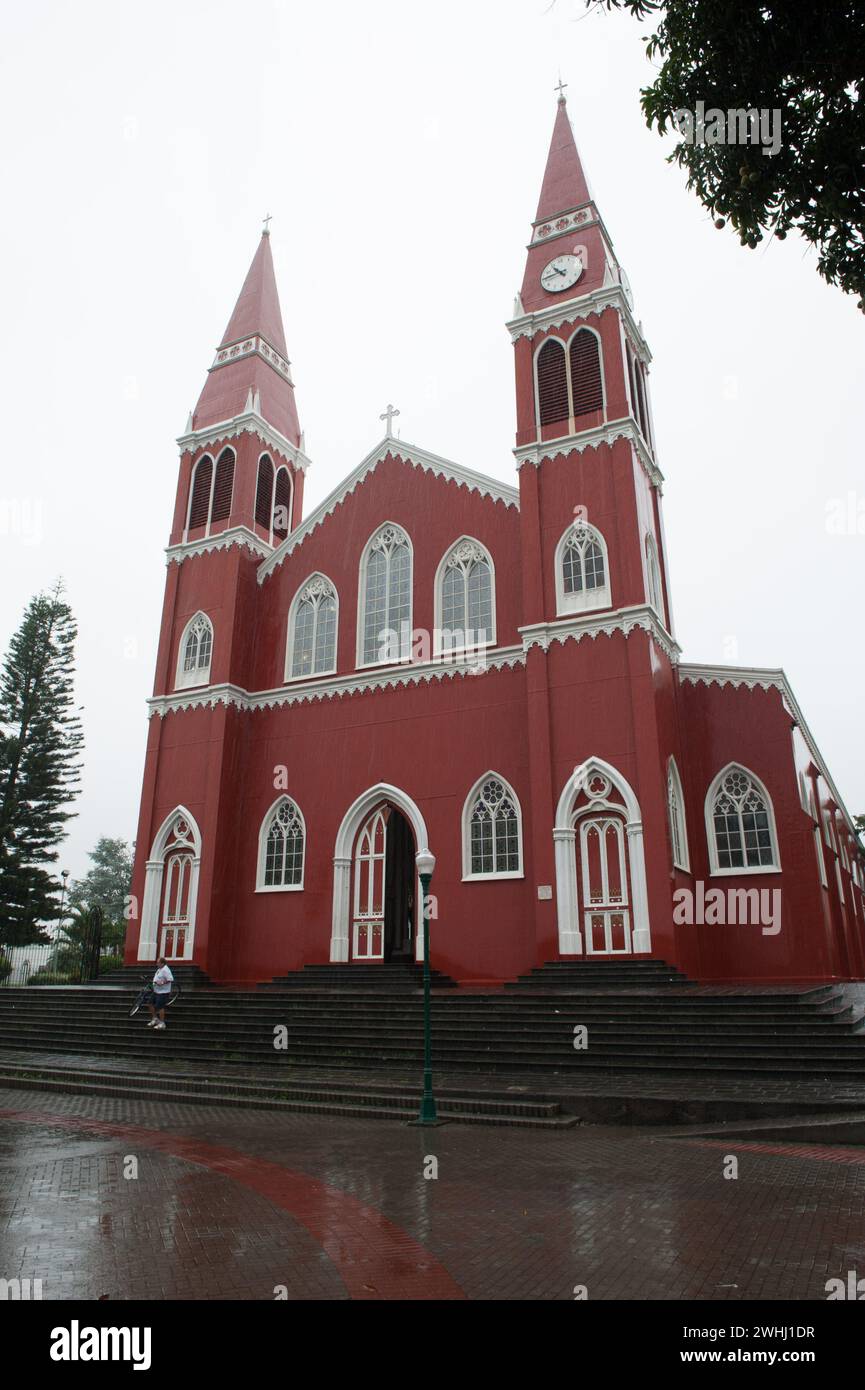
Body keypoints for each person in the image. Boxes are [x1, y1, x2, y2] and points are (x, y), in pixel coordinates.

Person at [146, 957, 174, 1030]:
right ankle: (155, 1018)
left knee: (160, 1007)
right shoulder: (159, 969)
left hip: (163, 992)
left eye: (158, 963)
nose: (156, 964)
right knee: (150, 1003)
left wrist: (162, 982)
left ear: (162, 963)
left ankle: (162, 1023)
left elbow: (170, 979)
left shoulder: (166, 970)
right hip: (156, 991)